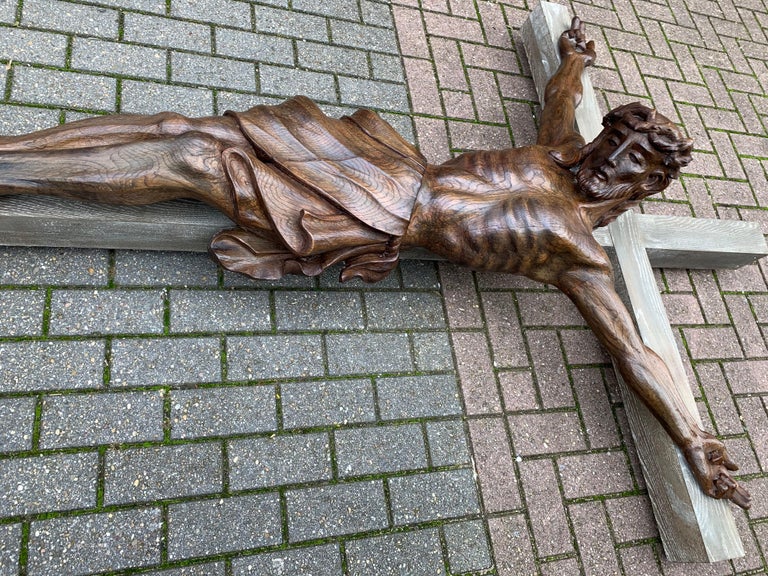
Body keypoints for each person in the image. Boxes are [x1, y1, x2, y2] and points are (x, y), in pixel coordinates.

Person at [0, 18, 750, 509]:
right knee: (183, 127)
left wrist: (693, 436)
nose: (602, 161)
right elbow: (563, 95)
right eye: (608, 143)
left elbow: (636, 349)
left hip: (377, 217)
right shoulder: (558, 152)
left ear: (644, 186)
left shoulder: (578, 255)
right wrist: (573, 59)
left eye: (626, 165)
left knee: (194, 161)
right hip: (385, 163)